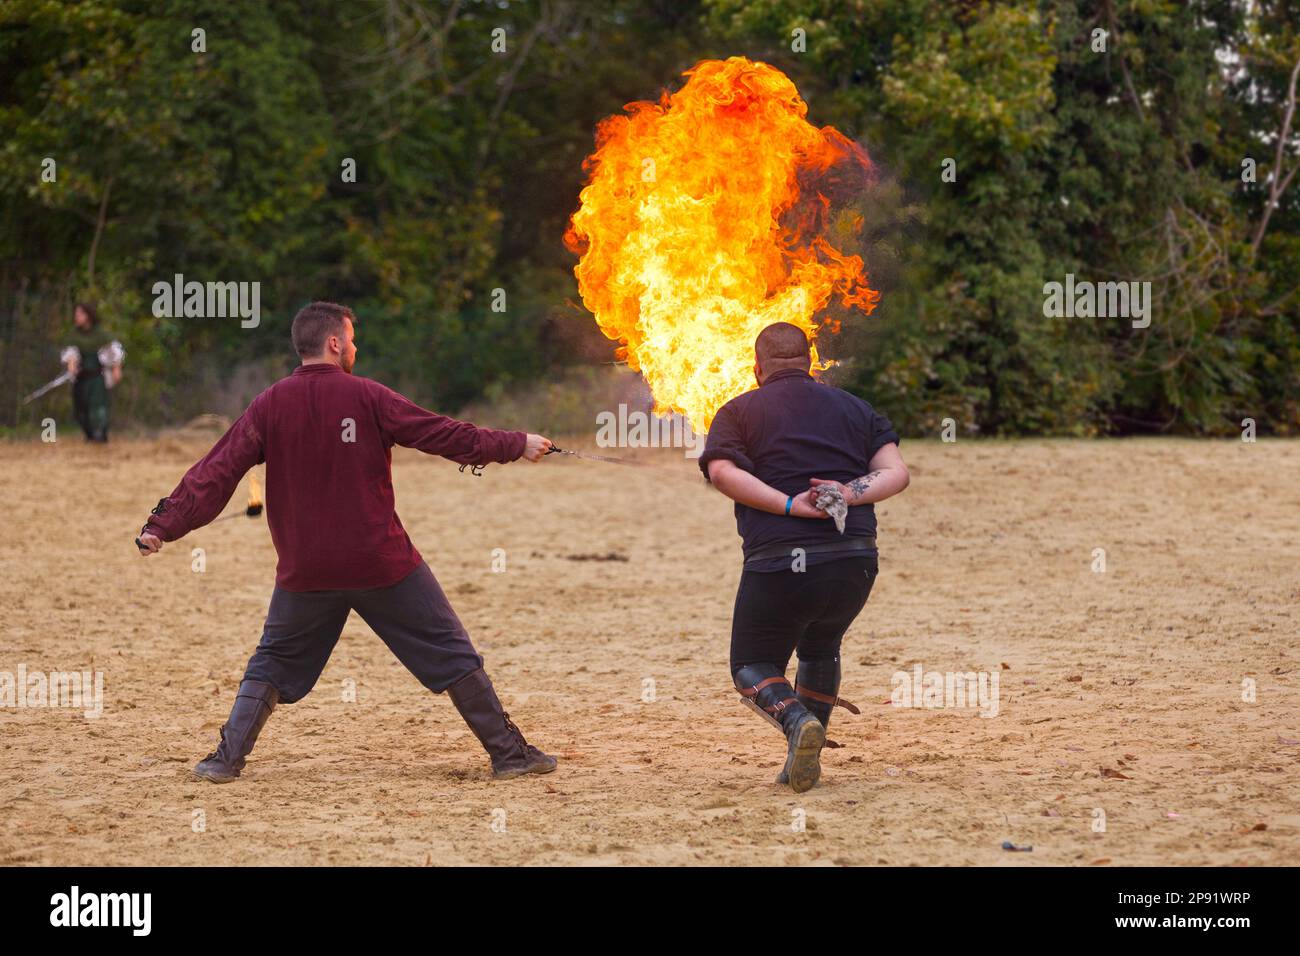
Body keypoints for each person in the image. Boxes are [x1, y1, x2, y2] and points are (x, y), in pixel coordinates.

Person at [135, 301, 557, 783]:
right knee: (451, 651)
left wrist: (163, 525)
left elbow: (217, 471)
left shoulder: (270, 404)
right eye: (351, 339)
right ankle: (509, 754)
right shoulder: (370, 397)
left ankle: (224, 761)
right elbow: (444, 434)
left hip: (307, 569)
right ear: (334, 343)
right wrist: (516, 444)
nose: (355, 347)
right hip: (380, 563)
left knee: (272, 661)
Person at [698, 322, 910, 793]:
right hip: (855, 561)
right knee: (820, 646)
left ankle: (797, 723)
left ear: (757, 367)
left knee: (751, 662)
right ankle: (804, 752)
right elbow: (896, 473)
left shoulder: (737, 411)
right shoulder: (857, 408)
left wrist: (790, 505)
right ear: (810, 360)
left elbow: (723, 472)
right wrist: (845, 492)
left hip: (781, 563)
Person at [66, 303, 123, 441]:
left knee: (97, 407)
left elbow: (114, 352)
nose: (76, 317)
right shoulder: (74, 334)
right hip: (81, 378)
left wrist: (116, 369)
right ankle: (89, 435)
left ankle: (100, 435)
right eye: (76, 314)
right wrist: (71, 365)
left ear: (88, 316)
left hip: (97, 377)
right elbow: (72, 353)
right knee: (80, 409)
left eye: (80, 314)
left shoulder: (101, 334)